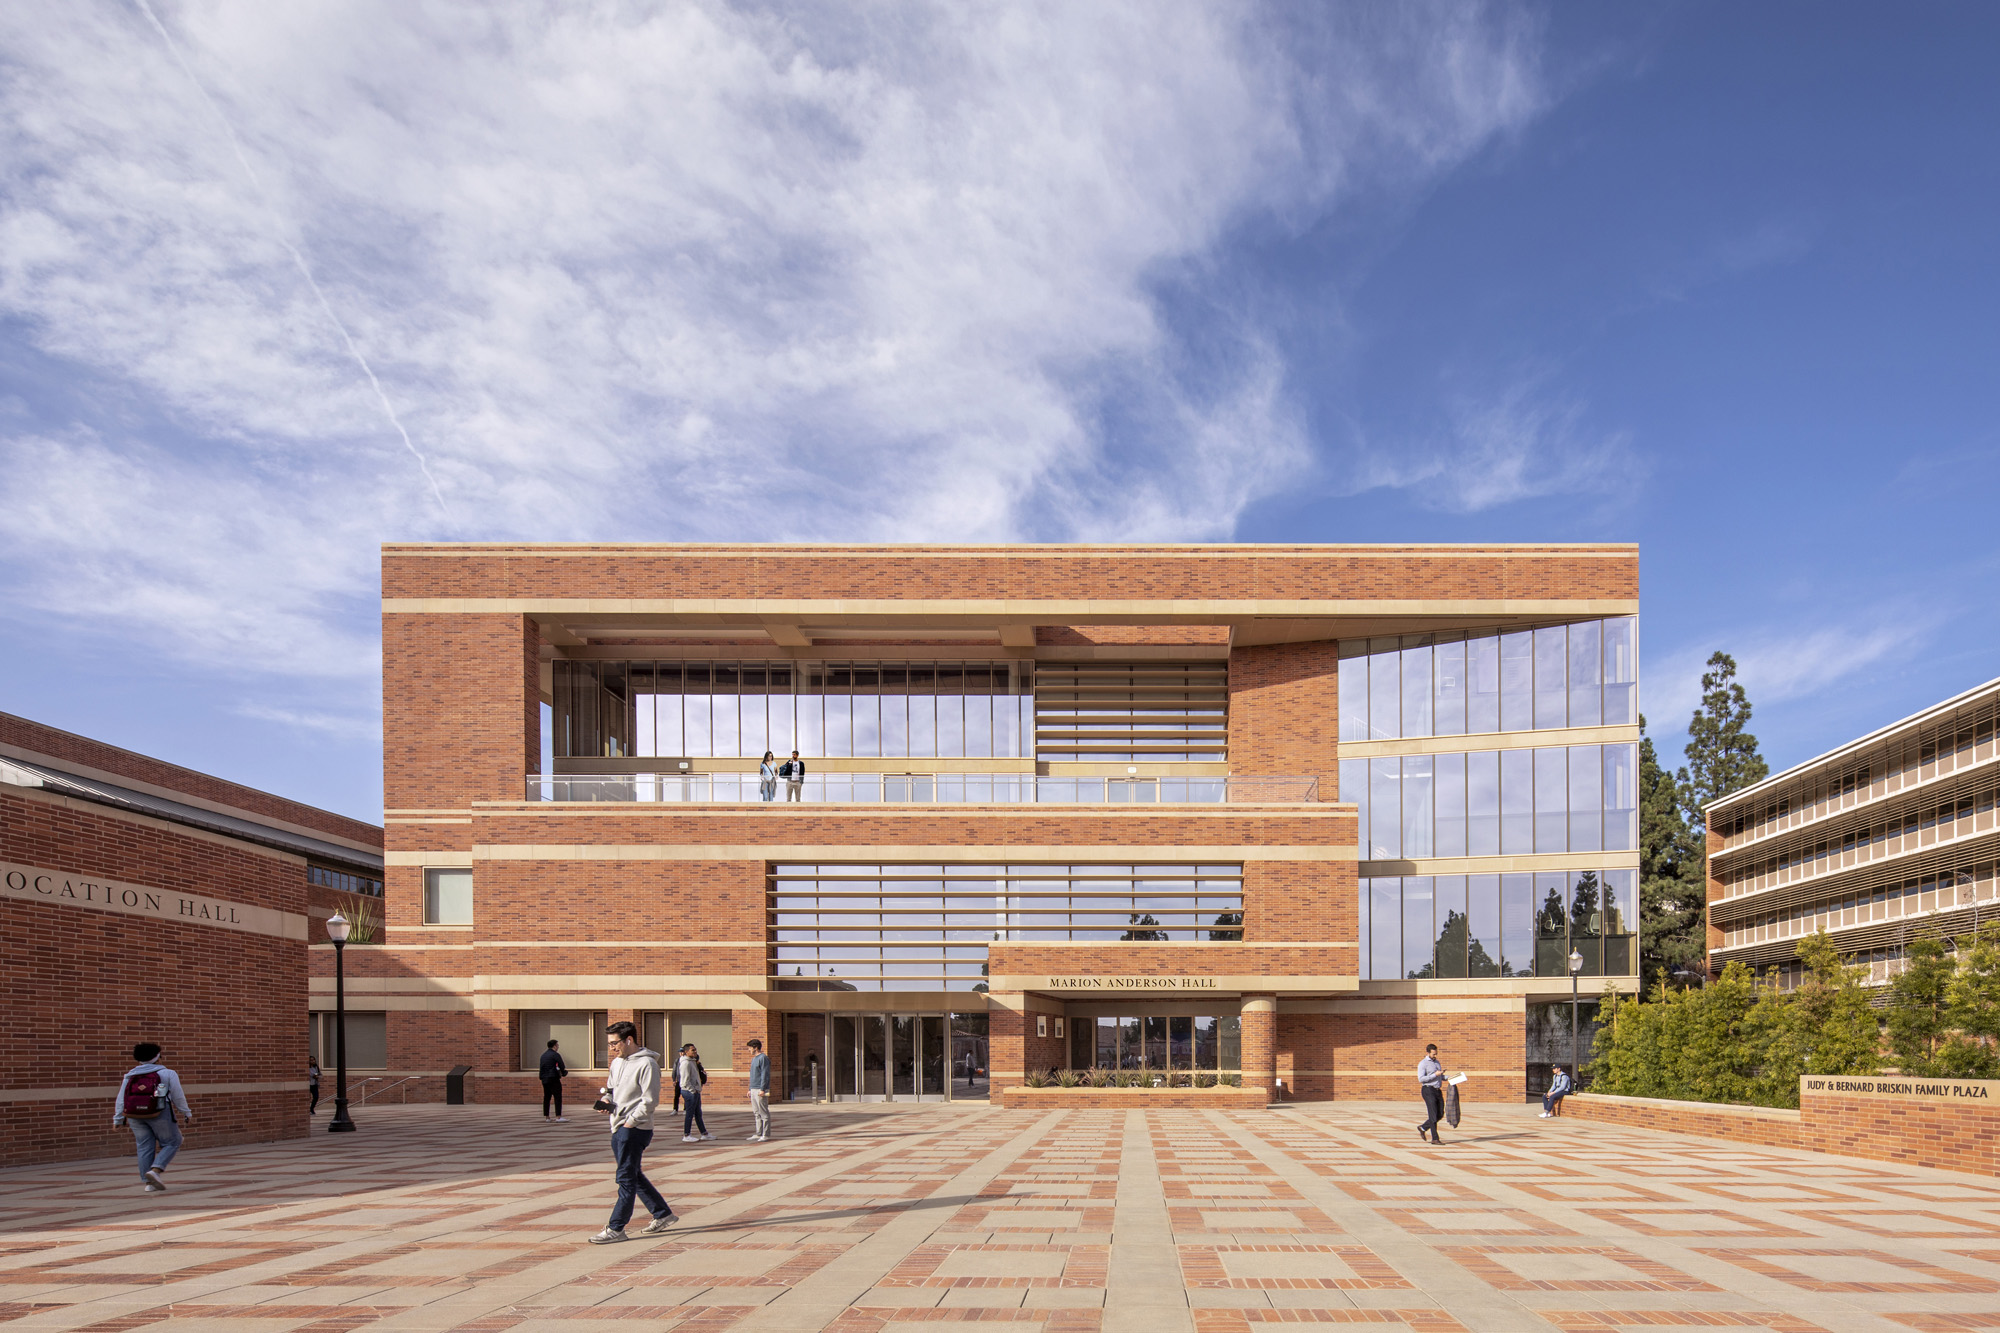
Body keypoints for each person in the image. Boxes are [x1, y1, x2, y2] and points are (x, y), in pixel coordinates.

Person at [588, 1020, 677, 1243]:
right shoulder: (617, 1063)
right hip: (617, 1125)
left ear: (629, 1040)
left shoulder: (647, 1064)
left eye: (614, 1043)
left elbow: (650, 1100)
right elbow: (611, 1090)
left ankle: (616, 1228)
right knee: (633, 1174)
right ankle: (662, 1214)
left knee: (625, 1178)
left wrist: (631, 1122)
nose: (611, 1048)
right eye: (609, 1044)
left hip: (635, 1129)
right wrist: (606, 1100)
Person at [113, 1042, 191, 1192]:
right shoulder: (168, 1073)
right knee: (173, 1141)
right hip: (159, 1112)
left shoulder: (130, 1075)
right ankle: (155, 1171)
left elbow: (121, 1098)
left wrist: (118, 1118)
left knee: (144, 1146)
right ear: (157, 1056)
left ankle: (148, 1183)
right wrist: (186, 1112)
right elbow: (177, 1096)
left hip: (134, 1115)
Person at [677, 1043, 711, 1141]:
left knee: (698, 1114)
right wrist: (693, 1090)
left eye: (695, 1049)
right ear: (686, 1052)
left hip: (695, 1091)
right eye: (692, 1050)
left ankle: (704, 1134)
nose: (695, 1051)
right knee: (689, 1114)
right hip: (689, 1092)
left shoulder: (692, 1061)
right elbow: (684, 1081)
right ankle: (686, 1135)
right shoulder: (685, 1063)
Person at [1416, 1043, 1446, 1145]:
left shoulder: (1437, 1062)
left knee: (1440, 1113)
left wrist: (1448, 1077)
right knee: (1433, 1114)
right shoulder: (1423, 1064)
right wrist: (1434, 1075)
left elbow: (1440, 1077)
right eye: (1433, 1054)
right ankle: (1435, 1138)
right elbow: (1421, 1079)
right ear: (1428, 1053)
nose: (1435, 1056)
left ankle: (1423, 1127)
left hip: (1437, 1090)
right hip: (1428, 1090)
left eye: (1436, 1054)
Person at [745, 1038, 771, 1141]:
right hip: (754, 1088)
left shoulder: (763, 1058)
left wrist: (762, 1089)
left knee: (763, 1112)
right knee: (756, 1112)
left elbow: (765, 1074)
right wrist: (750, 1089)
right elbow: (753, 1075)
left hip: (760, 1089)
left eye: (750, 1048)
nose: (749, 1050)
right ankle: (758, 1133)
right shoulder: (754, 1059)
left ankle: (766, 1134)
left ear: (755, 1047)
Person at [540, 1038, 569, 1122]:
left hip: (544, 1079)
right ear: (554, 1046)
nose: (558, 1047)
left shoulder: (543, 1055)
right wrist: (563, 1073)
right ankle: (558, 1116)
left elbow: (541, 1067)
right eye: (557, 1045)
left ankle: (547, 1117)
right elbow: (561, 1065)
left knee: (547, 1097)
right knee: (557, 1097)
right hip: (553, 1078)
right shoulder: (555, 1055)